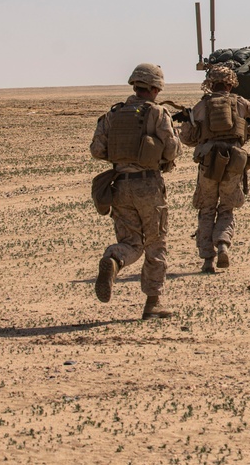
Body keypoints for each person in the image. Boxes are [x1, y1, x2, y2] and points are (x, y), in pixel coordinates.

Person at [90, 63, 181, 319]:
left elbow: (97, 150)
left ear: (134, 84)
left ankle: (114, 258)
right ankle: (153, 303)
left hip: (119, 185)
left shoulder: (113, 114)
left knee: (130, 242)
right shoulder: (158, 113)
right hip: (148, 185)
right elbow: (172, 150)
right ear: (155, 87)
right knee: (155, 243)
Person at [179, 66, 250, 273]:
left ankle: (206, 260)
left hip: (208, 162)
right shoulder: (241, 103)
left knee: (206, 209)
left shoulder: (201, 106)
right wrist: (245, 133)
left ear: (210, 84)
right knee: (226, 207)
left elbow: (185, 137)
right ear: (231, 84)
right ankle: (223, 243)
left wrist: (201, 137)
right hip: (234, 161)